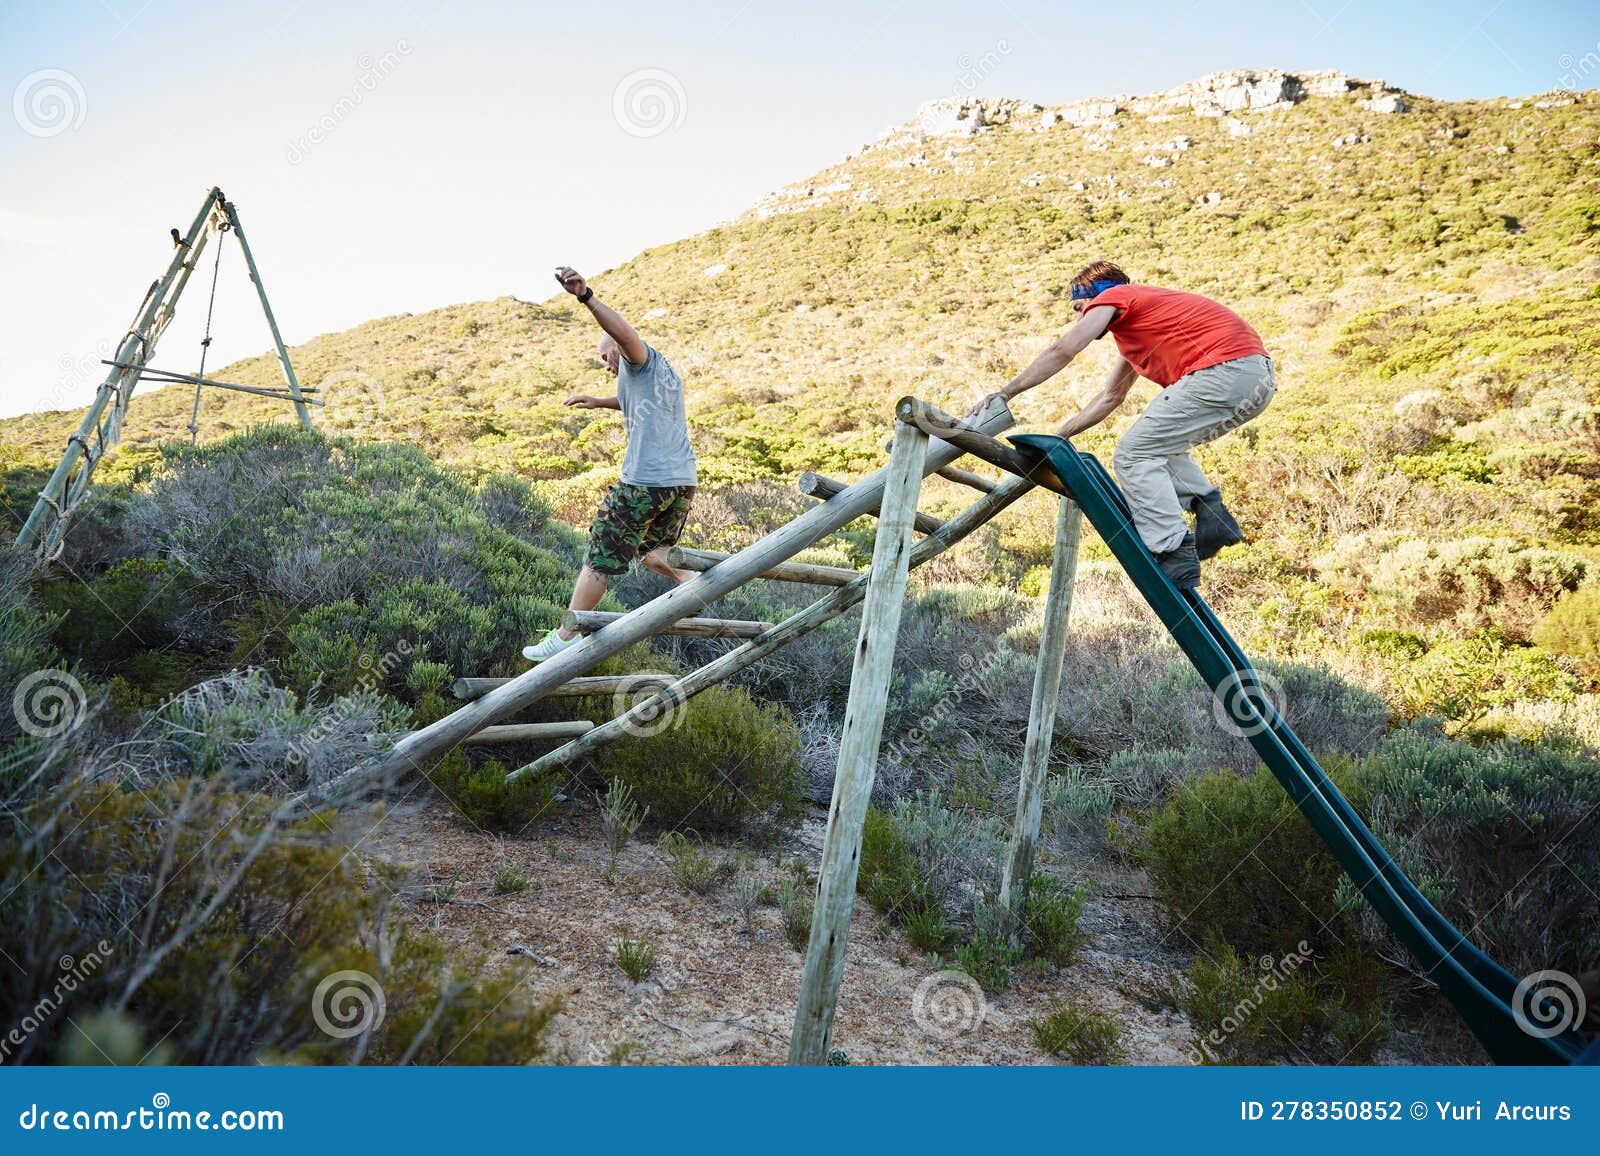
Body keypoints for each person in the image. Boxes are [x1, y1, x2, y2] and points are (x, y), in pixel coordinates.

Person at [987, 261, 1275, 589]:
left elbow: (1063, 349)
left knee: (1133, 454)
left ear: (1094, 296)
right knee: (1159, 448)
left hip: (1224, 371)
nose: (1081, 317)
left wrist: (1006, 393)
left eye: (1079, 307)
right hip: (1255, 380)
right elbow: (1110, 397)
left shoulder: (1118, 297)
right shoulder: (1139, 327)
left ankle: (1172, 551)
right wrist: (1061, 436)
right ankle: (1211, 513)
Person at [521, 266, 699, 662]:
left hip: (644, 482)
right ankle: (690, 579)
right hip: (681, 481)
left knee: (600, 552)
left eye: (606, 355)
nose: (606, 364)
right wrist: (600, 402)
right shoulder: (661, 375)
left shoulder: (638, 356)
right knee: (655, 551)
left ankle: (568, 634)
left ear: (618, 347)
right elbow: (634, 401)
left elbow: (624, 333)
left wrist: (585, 297)